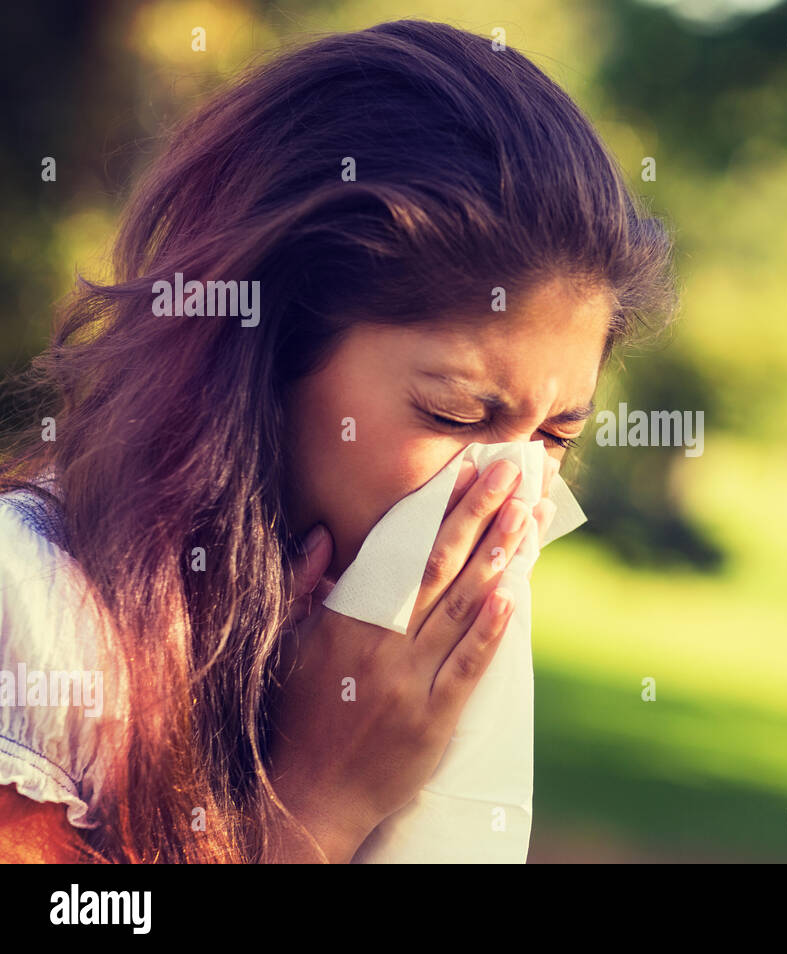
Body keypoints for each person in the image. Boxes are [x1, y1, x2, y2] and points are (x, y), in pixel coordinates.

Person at [0, 19, 677, 863]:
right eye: (457, 417)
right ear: (268, 355)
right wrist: (321, 808)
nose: (512, 497)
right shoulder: (32, 626)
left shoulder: (391, 675)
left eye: (556, 434)